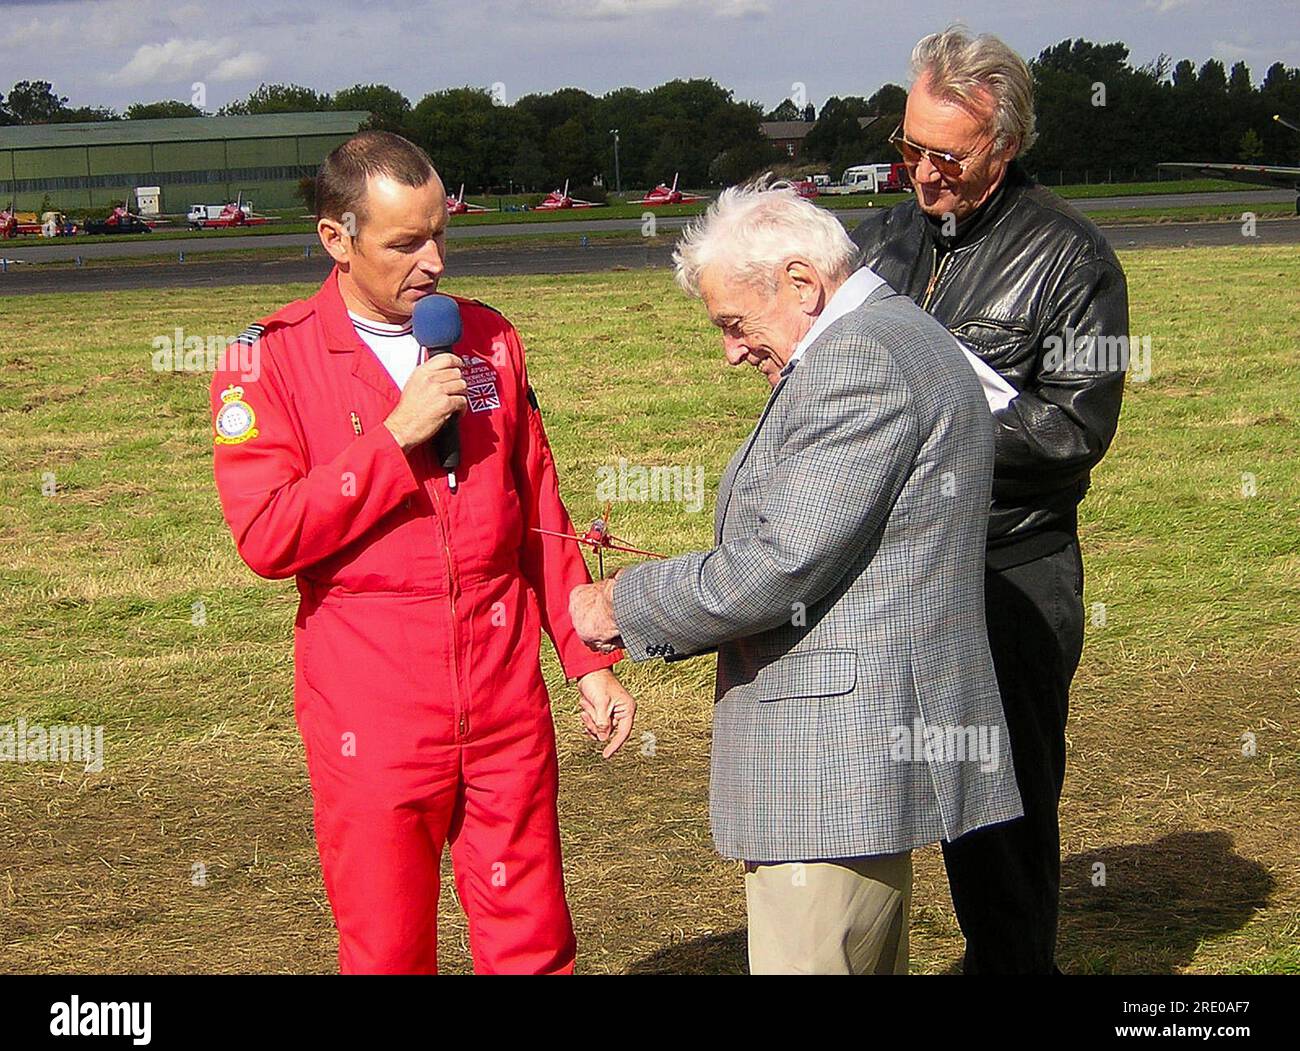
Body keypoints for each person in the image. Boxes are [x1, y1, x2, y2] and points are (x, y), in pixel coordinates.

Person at [570, 181, 1023, 975]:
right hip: (859, 758)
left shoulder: (858, 362)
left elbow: (781, 565)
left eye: (735, 324)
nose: (732, 351)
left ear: (804, 282)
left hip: (833, 767)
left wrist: (623, 605)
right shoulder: (899, 332)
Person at [210, 131, 636, 975]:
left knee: (534, 939)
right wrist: (395, 440)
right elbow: (267, 536)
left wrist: (587, 659)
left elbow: (539, 511)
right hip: (371, 705)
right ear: (337, 237)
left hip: (506, 694)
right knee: (388, 947)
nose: (434, 261)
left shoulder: (489, 341)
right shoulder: (267, 361)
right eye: (406, 242)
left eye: (442, 233)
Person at [852, 26, 1129, 974]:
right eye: (908, 148)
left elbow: (1074, 431)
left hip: (1009, 573)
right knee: (884, 789)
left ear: (1004, 145)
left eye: (946, 157)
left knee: (999, 820)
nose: (921, 176)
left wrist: (929, 433)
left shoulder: (1074, 259)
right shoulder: (883, 239)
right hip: (892, 568)